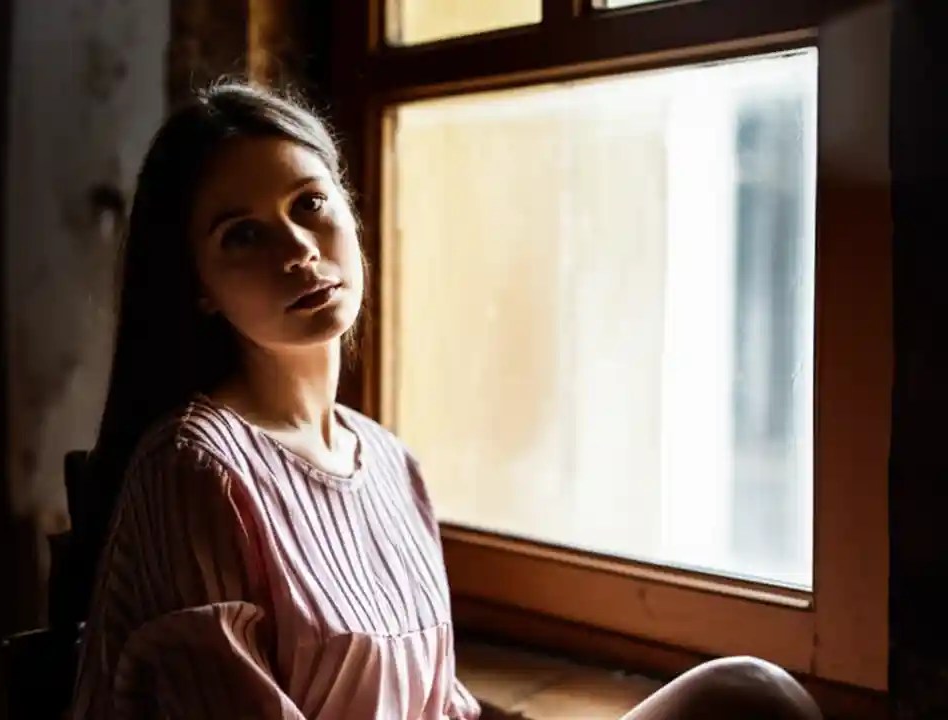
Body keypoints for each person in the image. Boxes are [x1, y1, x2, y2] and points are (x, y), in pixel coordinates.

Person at [70, 80, 824, 720]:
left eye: (310, 204)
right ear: (198, 285)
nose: (298, 248)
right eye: (243, 235)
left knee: (751, 694)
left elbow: (435, 703)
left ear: (349, 212)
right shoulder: (193, 470)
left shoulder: (392, 466)